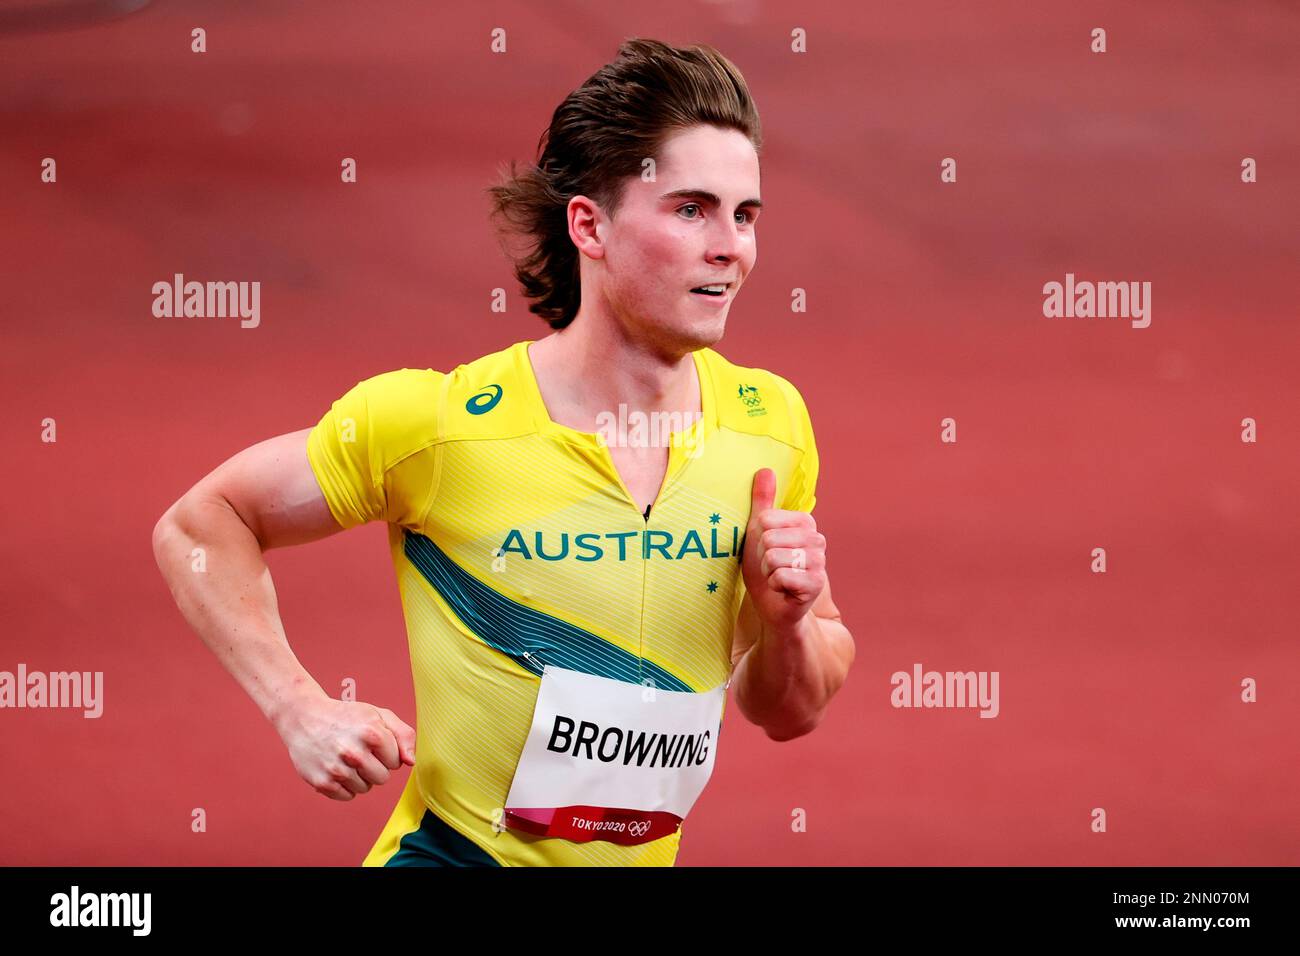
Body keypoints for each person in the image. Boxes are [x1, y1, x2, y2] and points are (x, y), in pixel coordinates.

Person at [152, 37, 855, 867]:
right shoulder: (441, 424)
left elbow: (789, 710)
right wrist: (298, 707)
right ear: (589, 225)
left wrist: (787, 624)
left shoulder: (768, 425)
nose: (731, 247)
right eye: (691, 209)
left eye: (745, 216)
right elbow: (203, 523)